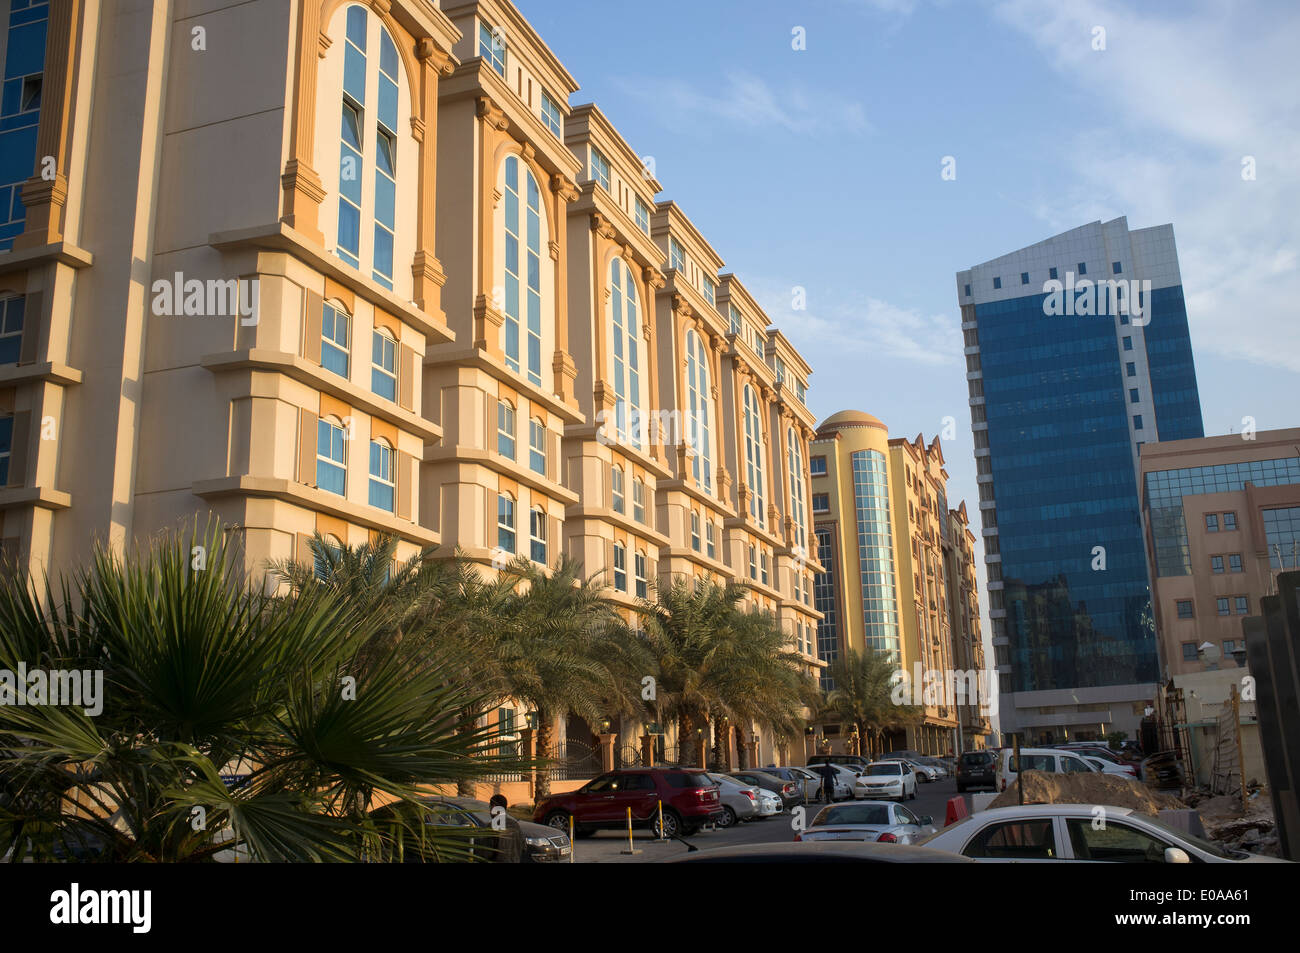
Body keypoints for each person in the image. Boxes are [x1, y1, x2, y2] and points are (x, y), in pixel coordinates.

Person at [487, 794, 524, 863]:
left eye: (490, 806)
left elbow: (487, 852)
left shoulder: (492, 826)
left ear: (494, 807)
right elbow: (523, 846)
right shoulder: (515, 825)